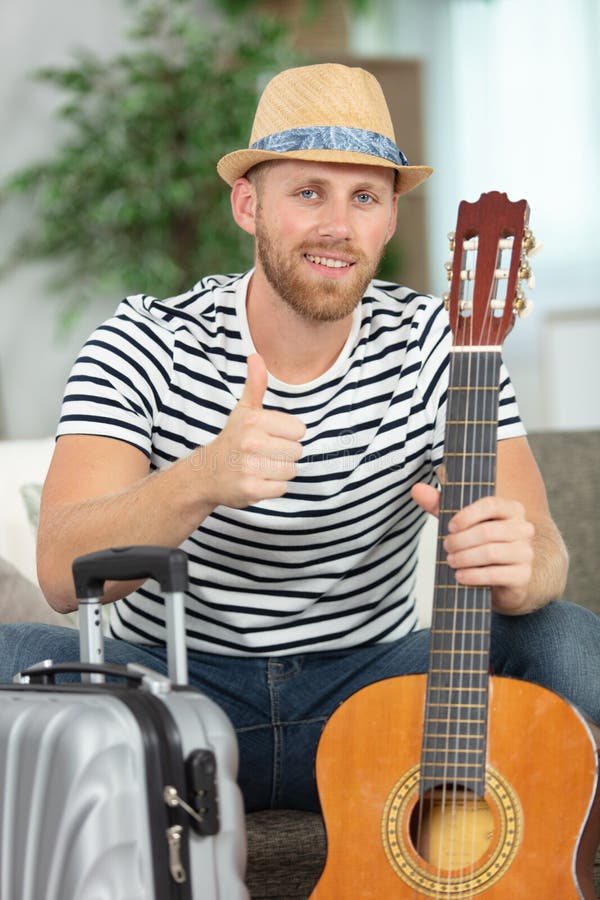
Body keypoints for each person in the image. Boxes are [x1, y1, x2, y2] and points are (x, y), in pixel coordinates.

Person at [1, 63, 599, 813]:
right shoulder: (142, 340)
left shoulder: (444, 342)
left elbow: (541, 549)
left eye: (365, 197)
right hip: (176, 693)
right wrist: (204, 476)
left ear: (389, 217)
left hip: (371, 691)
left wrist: (522, 564)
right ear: (248, 204)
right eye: (308, 192)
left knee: (567, 639)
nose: (338, 227)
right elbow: (62, 571)